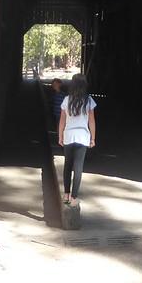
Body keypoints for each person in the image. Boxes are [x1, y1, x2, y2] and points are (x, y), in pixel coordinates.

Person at [58, 73, 96, 207]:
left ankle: (66, 195)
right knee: (78, 168)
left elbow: (62, 121)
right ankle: (74, 198)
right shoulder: (88, 100)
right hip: (82, 136)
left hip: (69, 135)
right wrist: (93, 138)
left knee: (67, 166)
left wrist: (60, 136)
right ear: (84, 85)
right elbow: (91, 121)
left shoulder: (66, 100)